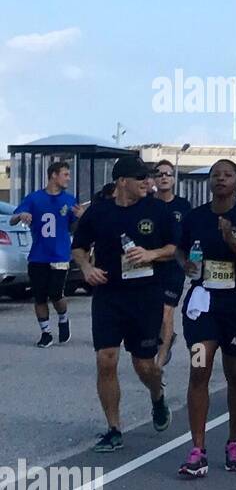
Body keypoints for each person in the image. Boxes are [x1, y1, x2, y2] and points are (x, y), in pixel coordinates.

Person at [71, 156, 178, 452]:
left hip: (145, 296)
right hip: (109, 295)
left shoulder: (157, 210)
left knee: (144, 366)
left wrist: (151, 254)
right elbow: (78, 246)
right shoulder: (99, 213)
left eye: (149, 177)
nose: (148, 182)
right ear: (122, 182)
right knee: (106, 359)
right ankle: (114, 428)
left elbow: (174, 248)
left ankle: (157, 398)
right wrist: (87, 268)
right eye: (141, 177)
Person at [175, 160, 236, 477]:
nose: (220, 180)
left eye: (227, 175)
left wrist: (232, 241)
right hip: (203, 305)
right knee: (199, 368)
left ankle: (233, 441)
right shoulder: (195, 217)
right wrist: (186, 264)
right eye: (215, 175)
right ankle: (197, 449)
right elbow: (180, 249)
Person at [9, 159, 84, 347]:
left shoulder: (69, 200)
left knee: (56, 293)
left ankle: (63, 318)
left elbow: (75, 227)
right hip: (38, 256)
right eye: (65, 174)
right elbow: (12, 220)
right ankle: (46, 333)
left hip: (59, 255)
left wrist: (81, 217)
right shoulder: (34, 198)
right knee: (39, 296)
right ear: (53, 175)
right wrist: (21, 216)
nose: (68, 179)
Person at [150, 160, 192, 369]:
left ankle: (160, 361)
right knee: (152, 313)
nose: (164, 177)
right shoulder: (147, 204)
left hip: (173, 268)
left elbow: (190, 236)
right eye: (159, 174)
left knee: (167, 312)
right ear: (154, 179)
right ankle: (166, 338)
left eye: (168, 173)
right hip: (150, 266)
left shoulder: (183, 206)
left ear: (174, 178)